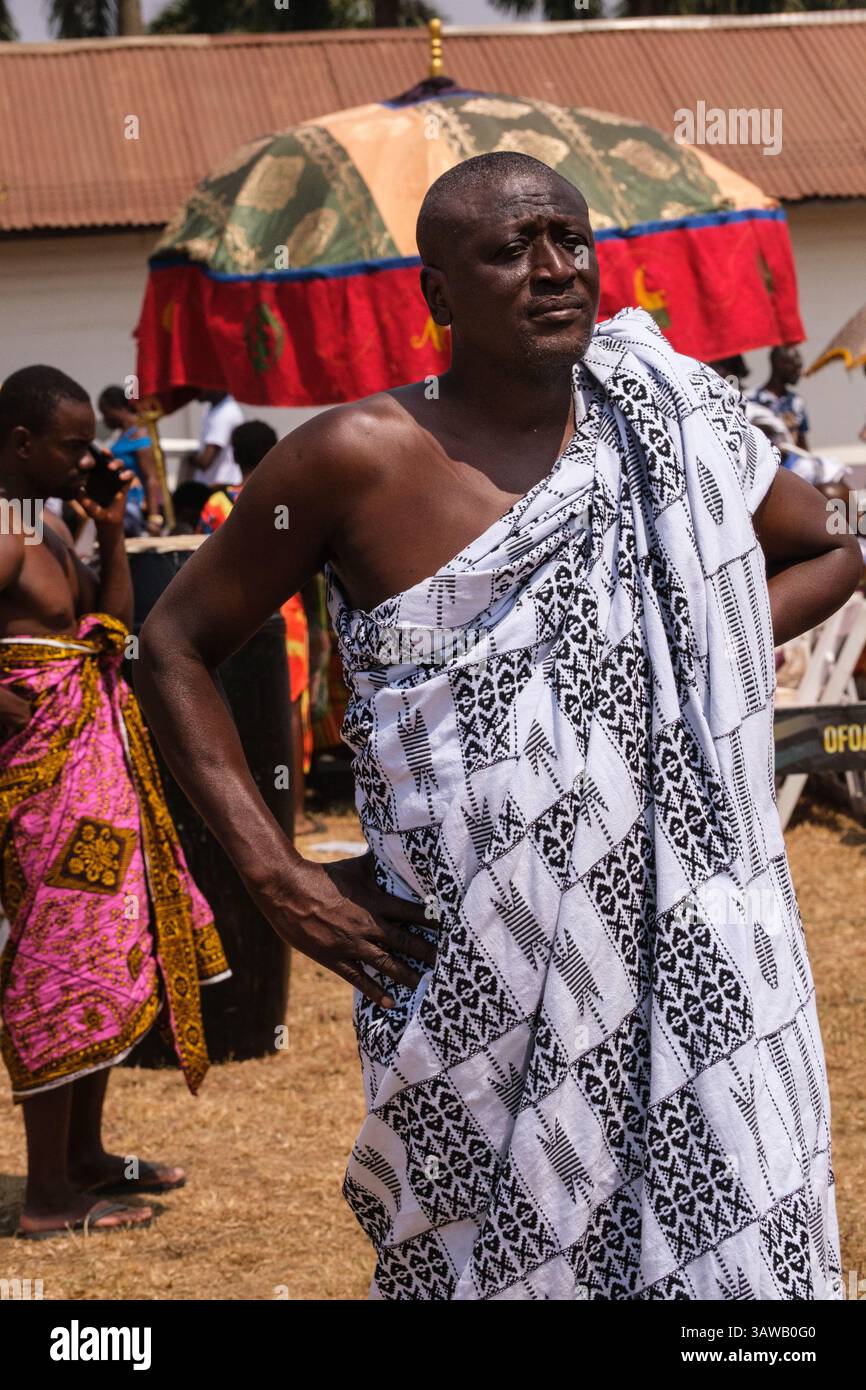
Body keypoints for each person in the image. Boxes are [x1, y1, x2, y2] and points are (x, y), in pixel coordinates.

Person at [135, 153, 862, 1301]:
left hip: (707, 952)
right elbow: (168, 645)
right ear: (434, 294)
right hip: (477, 975)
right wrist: (278, 878)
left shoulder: (669, 423)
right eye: (508, 250)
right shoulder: (350, 458)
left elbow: (831, 547)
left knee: (732, 1261)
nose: (551, 270)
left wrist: (682, 647)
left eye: (568, 241)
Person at [0, 366, 229, 1240]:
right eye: (71, 444)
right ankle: (50, 1198)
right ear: (22, 444)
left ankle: (84, 1159)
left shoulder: (48, 523)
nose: (88, 455)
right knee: (56, 962)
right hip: (38, 784)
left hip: (86, 774)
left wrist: (109, 531)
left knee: (101, 951)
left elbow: (114, 630)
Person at [196, 420, 315, 824]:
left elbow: (200, 559)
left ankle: (248, 811)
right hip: (288, 617)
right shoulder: (292, 500)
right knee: (289, 711)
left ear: (234, 453)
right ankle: (294, 813)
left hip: (234, 616)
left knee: (236, 710)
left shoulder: (216, 505)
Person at [97, 386, 165, 534]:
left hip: (136, 511)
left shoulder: (140, 434)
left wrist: (154, 517)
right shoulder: (124, 435)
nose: (105, 419)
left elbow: (151, 477)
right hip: (122, 506)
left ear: (119, 408)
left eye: (105, 412)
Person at [748, 344, 810, 449]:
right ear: (779, 364)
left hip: (789, 463)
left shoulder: (796, 402)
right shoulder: (751, 399)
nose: (799, 372)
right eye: (795, 366)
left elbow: (802, 445)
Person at [189, 390, 244, 488]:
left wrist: (189, 459)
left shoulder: (225, 413)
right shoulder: (214, 409)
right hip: (215, 487)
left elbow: (206, 461)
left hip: (219, 490)